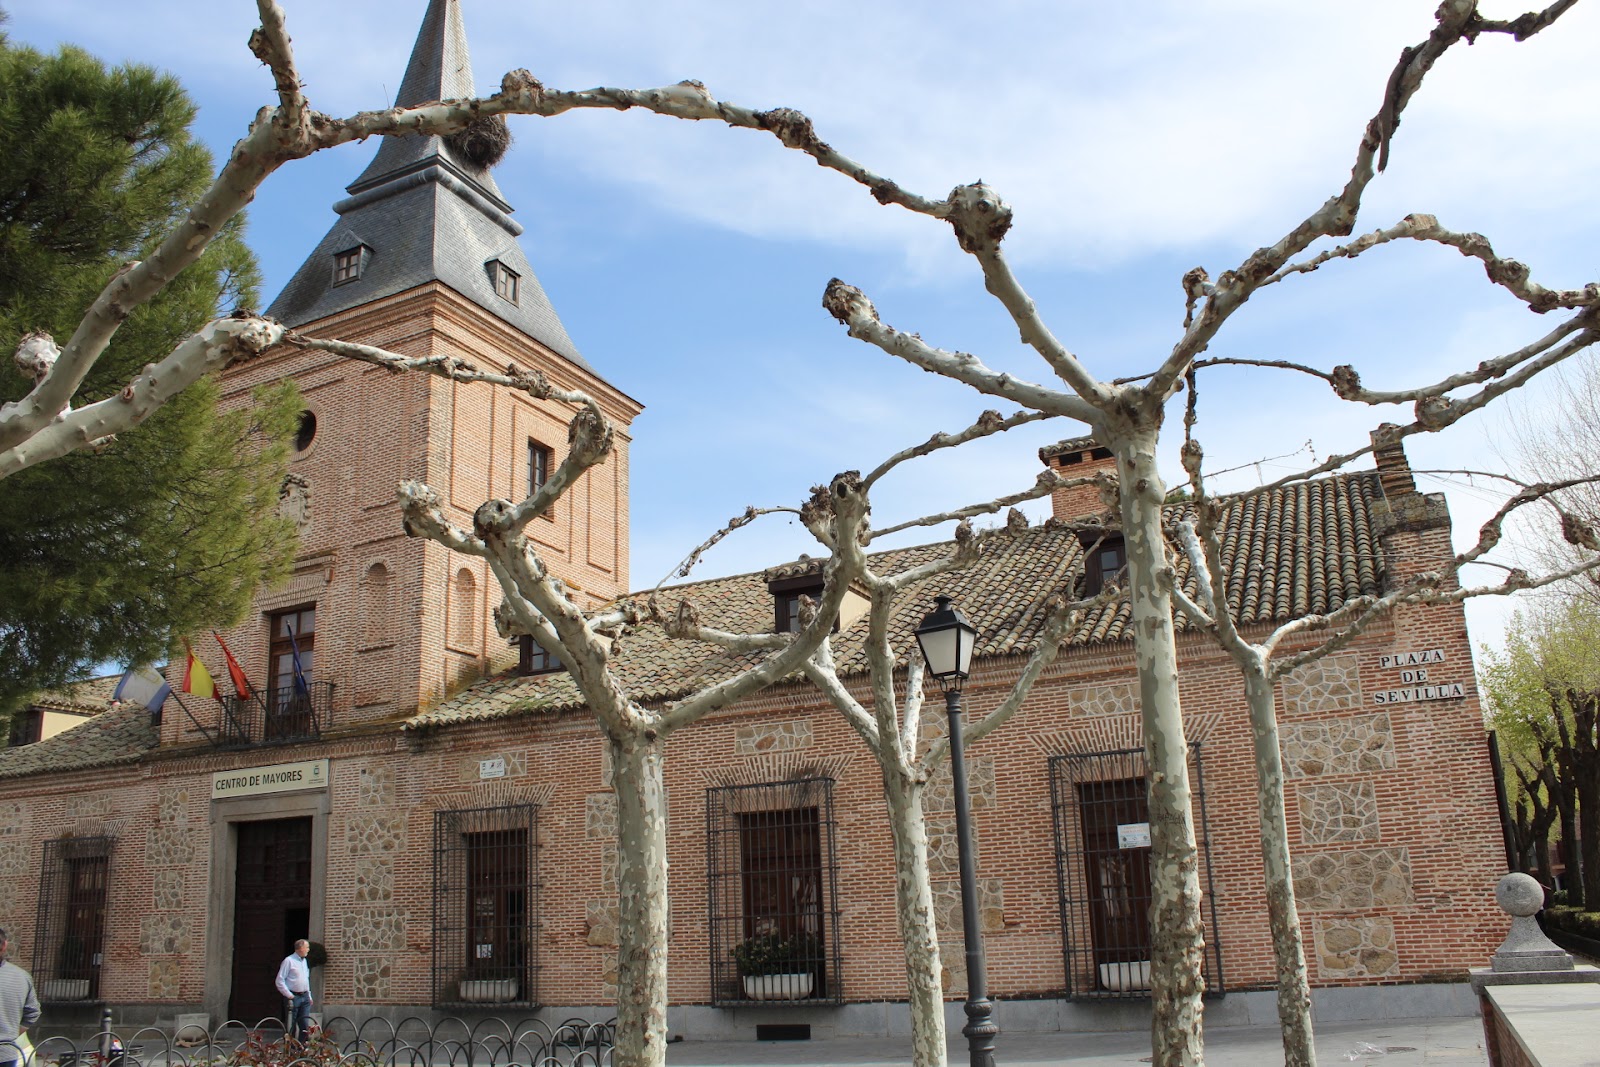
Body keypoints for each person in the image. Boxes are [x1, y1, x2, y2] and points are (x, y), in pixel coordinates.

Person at [0, 929, 40, 1067]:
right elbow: (33, 1012)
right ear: (4, 945)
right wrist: (11, 1034)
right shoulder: (22, 977)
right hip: (7, 1053)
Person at [273, 939, 313, 1043]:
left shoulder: (304, 961)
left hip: (304, 997)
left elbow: (306, 979)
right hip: (293, 997)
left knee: (304, 1025)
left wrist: (309, 995)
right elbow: (280, 980)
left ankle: (302, 1049)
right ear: (300, 948)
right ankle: (290, 1049)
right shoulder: (289, 961)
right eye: (307, 947)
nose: (308, 950)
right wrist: (289, 995)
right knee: (291, 1026)